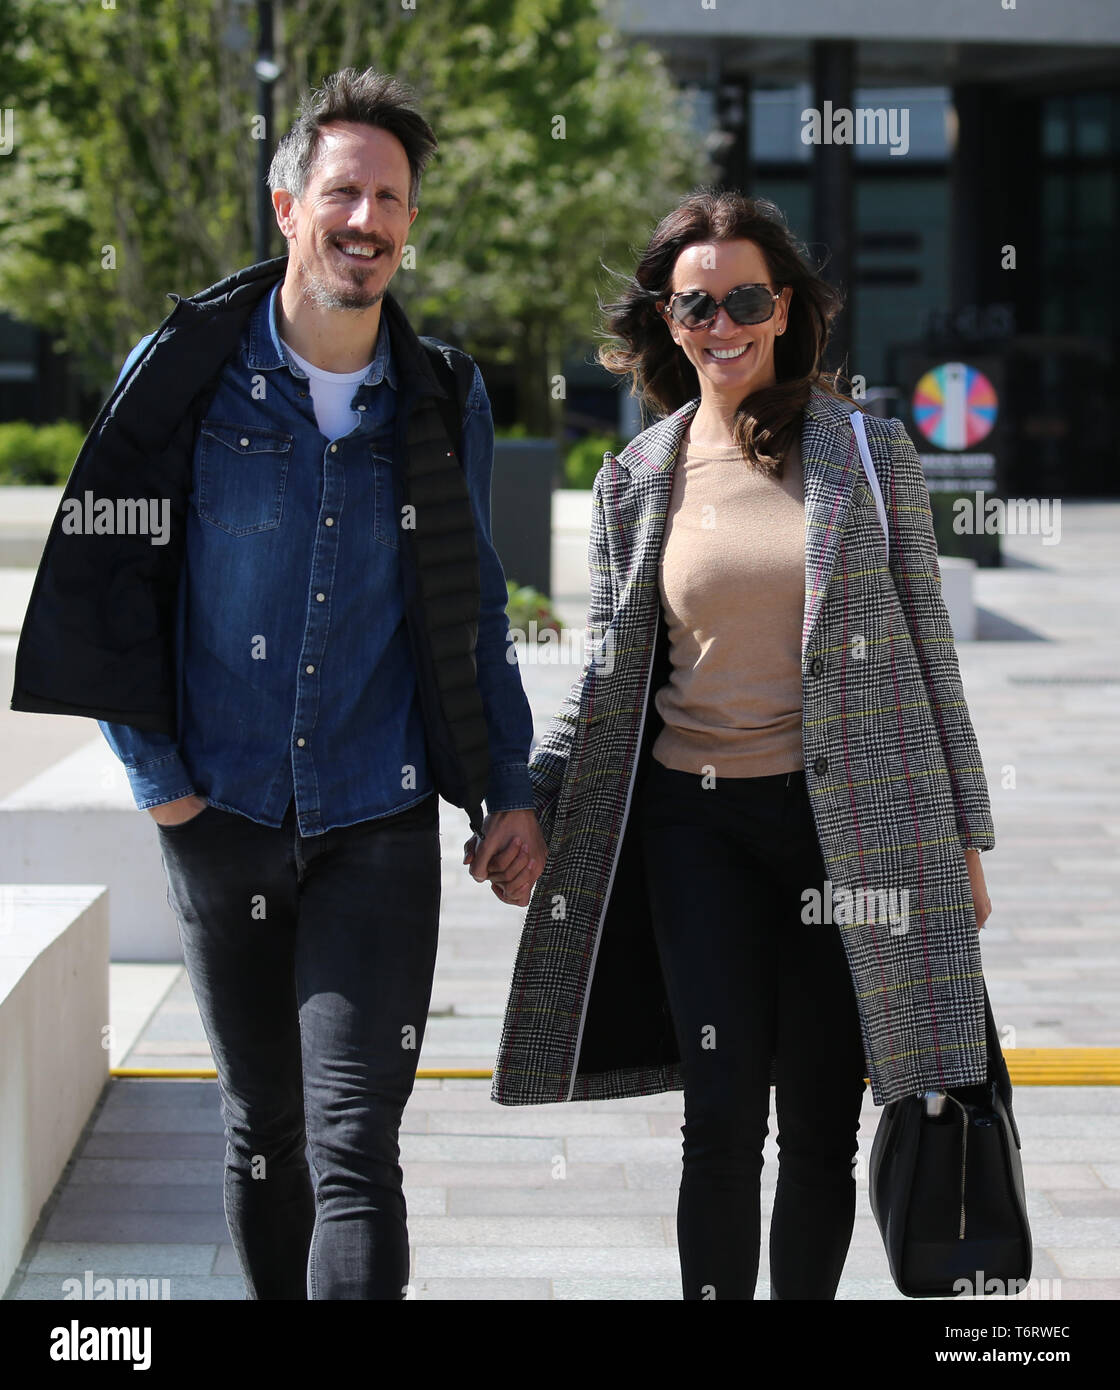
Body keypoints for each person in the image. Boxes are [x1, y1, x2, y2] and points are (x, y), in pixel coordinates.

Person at [12, 66, 546, 1300]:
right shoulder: (189, 372)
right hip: (223, 818)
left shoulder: (439, 394)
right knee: (264, 1137)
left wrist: (505, 788)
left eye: (391, 199)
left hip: (377, 817)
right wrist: (164, 792)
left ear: (410, 222)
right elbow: (113, 578)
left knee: (355, 1145)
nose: (367, 221)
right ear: (288, 204)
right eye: (344, 191)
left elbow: (471, 603)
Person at [481, 189, 996, 1301]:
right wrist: (529, 794)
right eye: (695, 304)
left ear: (787, 308)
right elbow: (610, 677)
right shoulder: (635, 478)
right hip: (692, 829)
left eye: (746, 298)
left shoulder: (865, 452)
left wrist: (963, 836)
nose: (722, 323)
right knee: (719, 1118)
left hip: (843, 835)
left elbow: (931, 645)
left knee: (820, 1118)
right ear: (668, 322)